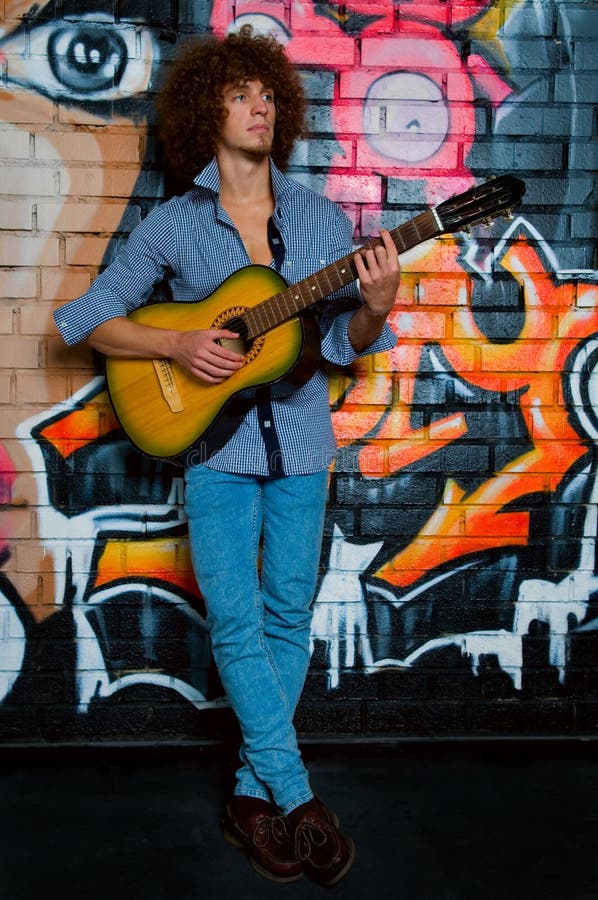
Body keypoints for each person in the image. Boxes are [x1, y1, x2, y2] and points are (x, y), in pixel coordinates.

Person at [53, 26, 400, 887]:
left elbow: (343, 344)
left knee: (289, 615)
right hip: (212, 448)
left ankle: (251, 798)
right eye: (243, 92)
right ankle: (296, 794)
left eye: (270, 95)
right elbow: (82, 320)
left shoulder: (320, 218)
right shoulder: (175, 223)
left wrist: (376, 307)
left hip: (304, 442)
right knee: (238, 623)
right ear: (208, 107)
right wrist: (173, 349)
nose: (260, 105)